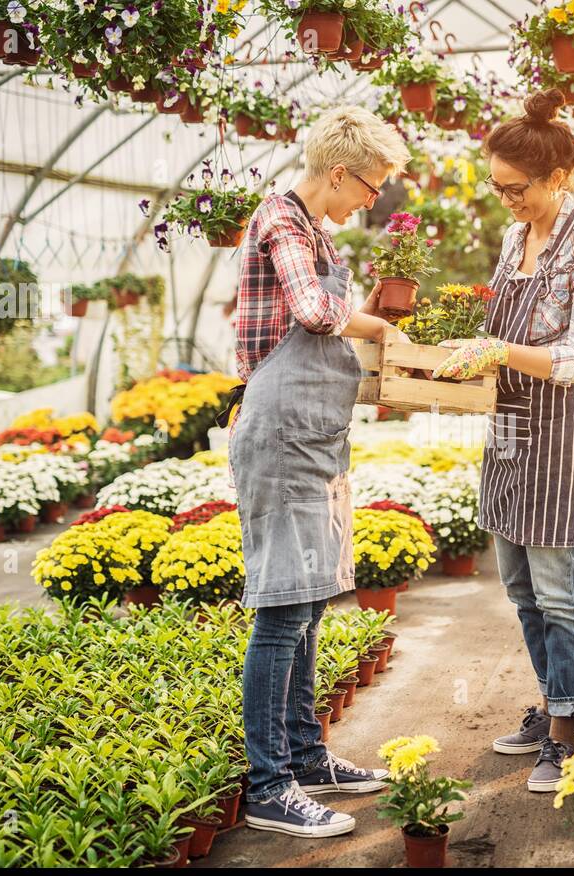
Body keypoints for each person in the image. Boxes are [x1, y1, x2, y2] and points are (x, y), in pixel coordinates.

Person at [434, 89, 574, 792]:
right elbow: (499, 333)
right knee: (519, 584)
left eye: (517, 190)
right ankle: (551, 704)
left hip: (560, 428)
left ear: (558, 180)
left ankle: (570, 727)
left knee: (558, 587)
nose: (507, 202)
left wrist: (495, 350)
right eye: (497, 189)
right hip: (509, 423)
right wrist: (465, 352)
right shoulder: (516, 239)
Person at [232, 105, 410, 837]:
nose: (373, 200)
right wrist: (378, 324)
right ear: (339, 171)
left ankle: (307, 756)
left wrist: (364, 311)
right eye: (370, 187)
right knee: (280, 610)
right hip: (280, 434)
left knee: (306, 603)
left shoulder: (316, 231)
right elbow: (311, 311)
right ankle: (269, 784)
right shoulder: (280, 218)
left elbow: (322, 308)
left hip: (314, 437)